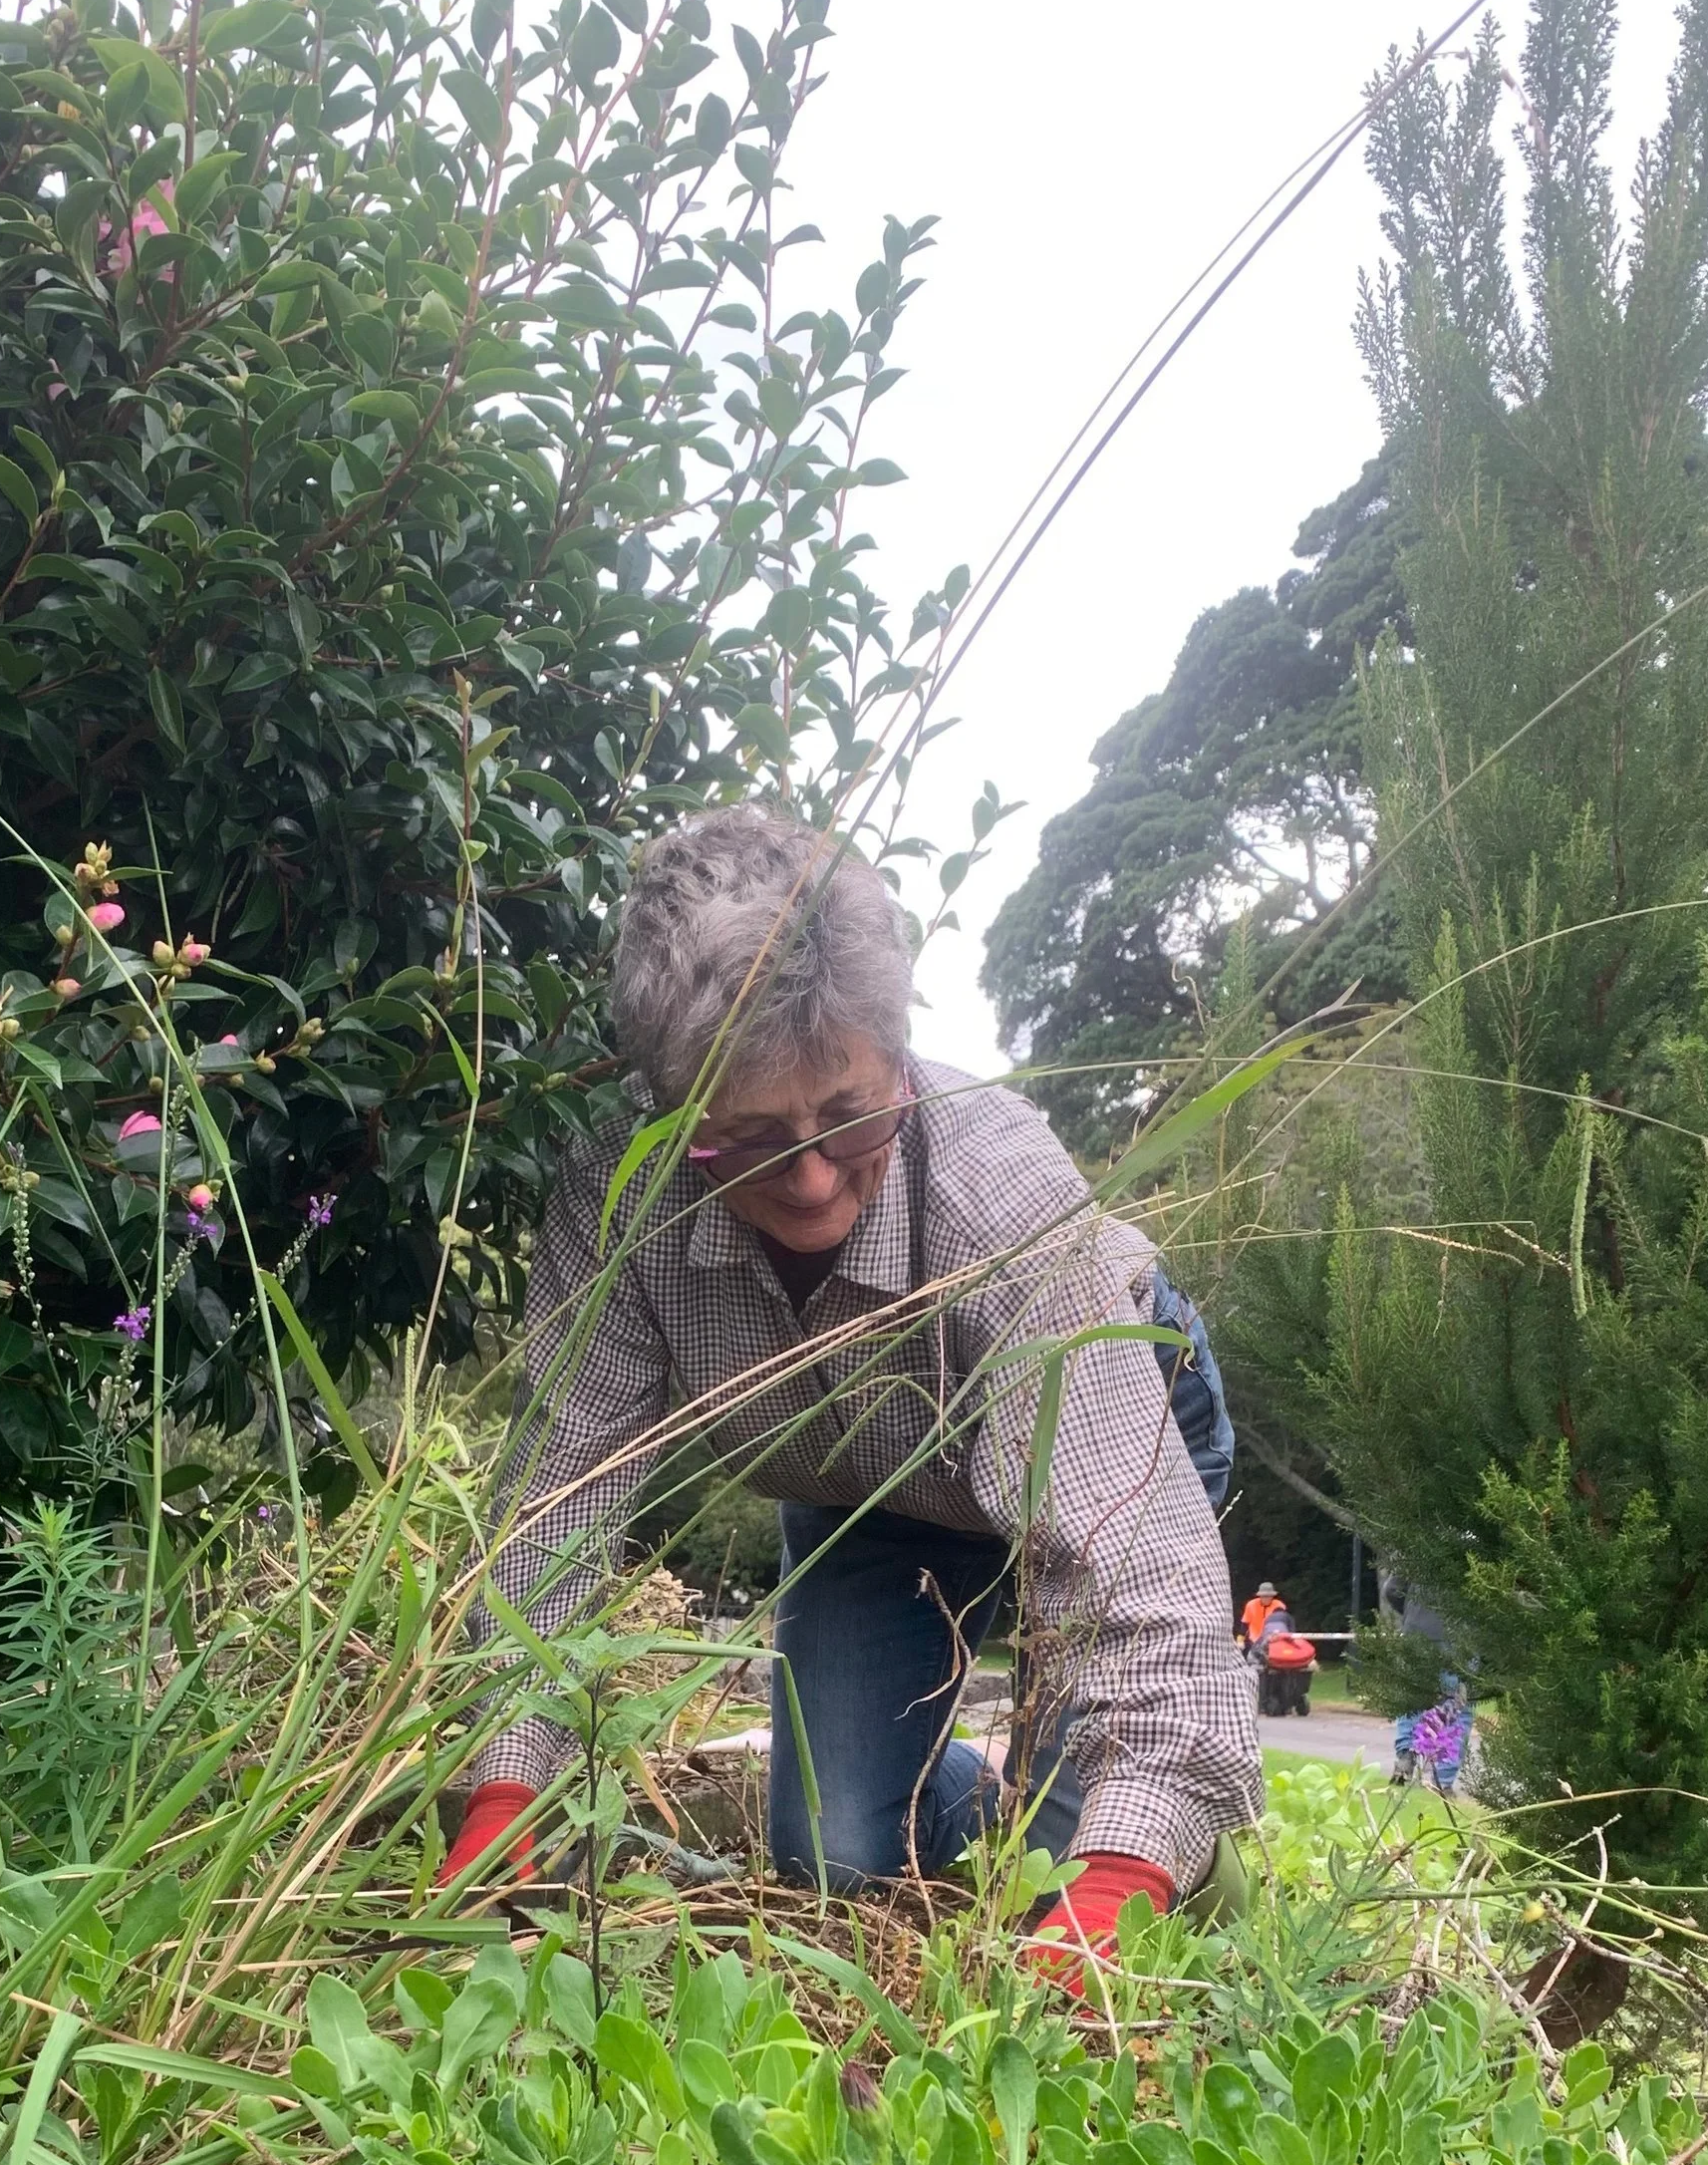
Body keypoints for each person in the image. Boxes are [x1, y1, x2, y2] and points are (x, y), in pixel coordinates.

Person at [438, 807, 1262, 1981]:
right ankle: (1007, 1804)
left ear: (897, 1060)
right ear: (671, 1111)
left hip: (1108, 1430)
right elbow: (559, 1502)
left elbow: (1131, 1569)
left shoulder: (1005, 1194)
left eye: (849, 1117)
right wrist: (508, 1776)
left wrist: (1114, 1884)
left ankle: (1179, 1849)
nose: (816, 1183)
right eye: (753, 1139)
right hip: (866, 1488)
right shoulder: (621, 1199)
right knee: (835, 1865)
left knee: (1074, 1855)